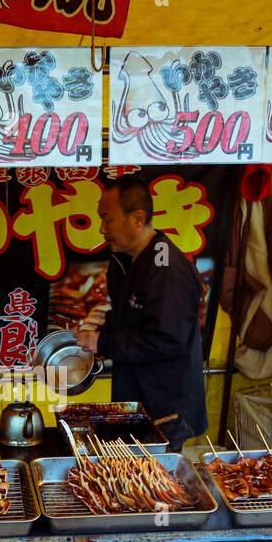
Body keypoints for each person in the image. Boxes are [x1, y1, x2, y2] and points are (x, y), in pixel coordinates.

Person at [78, 176, 207, 452]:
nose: (101, 229)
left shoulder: (166, 267)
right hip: (136, 398)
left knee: (156, 488)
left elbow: (167, 339)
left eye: (107, 219)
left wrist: (102, 343)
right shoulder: (123, 261)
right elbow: (133, 319)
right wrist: (100, 332)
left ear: (137, 218)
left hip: (166, 408)